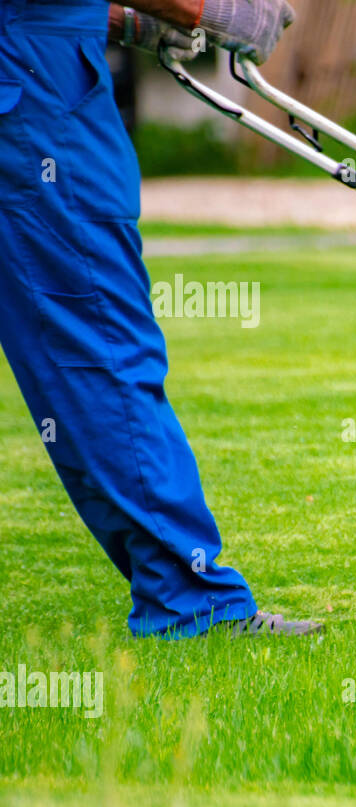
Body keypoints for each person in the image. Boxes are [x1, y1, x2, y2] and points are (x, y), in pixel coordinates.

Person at [0, 0, 321, 637]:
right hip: (33, 89)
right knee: (98, 336)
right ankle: (190, 600)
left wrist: (119, 18)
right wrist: (211, 9)